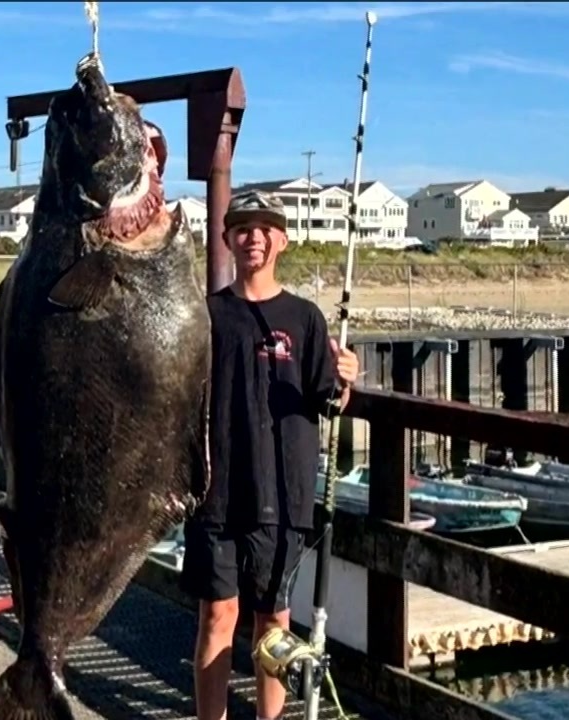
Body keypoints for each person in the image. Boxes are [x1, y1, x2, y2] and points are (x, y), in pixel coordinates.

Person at [181, 190, 360, 720]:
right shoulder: (206, 315)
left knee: (273, 624)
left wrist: (347, 380)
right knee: (217, 615)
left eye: (264, 228)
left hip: (284, 498)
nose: (253, 237)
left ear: (280, 240)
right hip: (216, 494)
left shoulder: (304, 318)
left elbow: (330, 398)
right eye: (242, 227)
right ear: (228, 240)